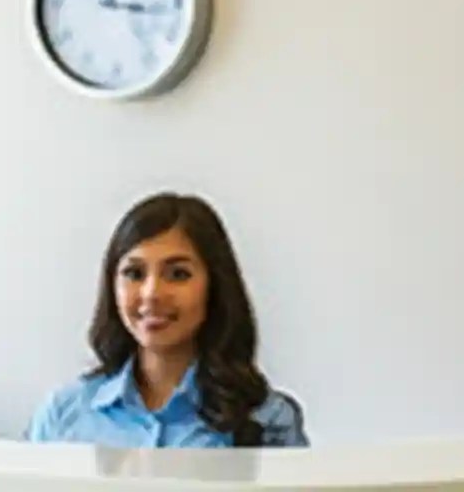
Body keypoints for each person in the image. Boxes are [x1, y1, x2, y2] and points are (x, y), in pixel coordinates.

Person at [26, 192, 308, 448]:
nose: (152, 294)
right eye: (134, 274)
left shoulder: (267, 420)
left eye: (178, 274)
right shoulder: (62, 416)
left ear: (215, 285)